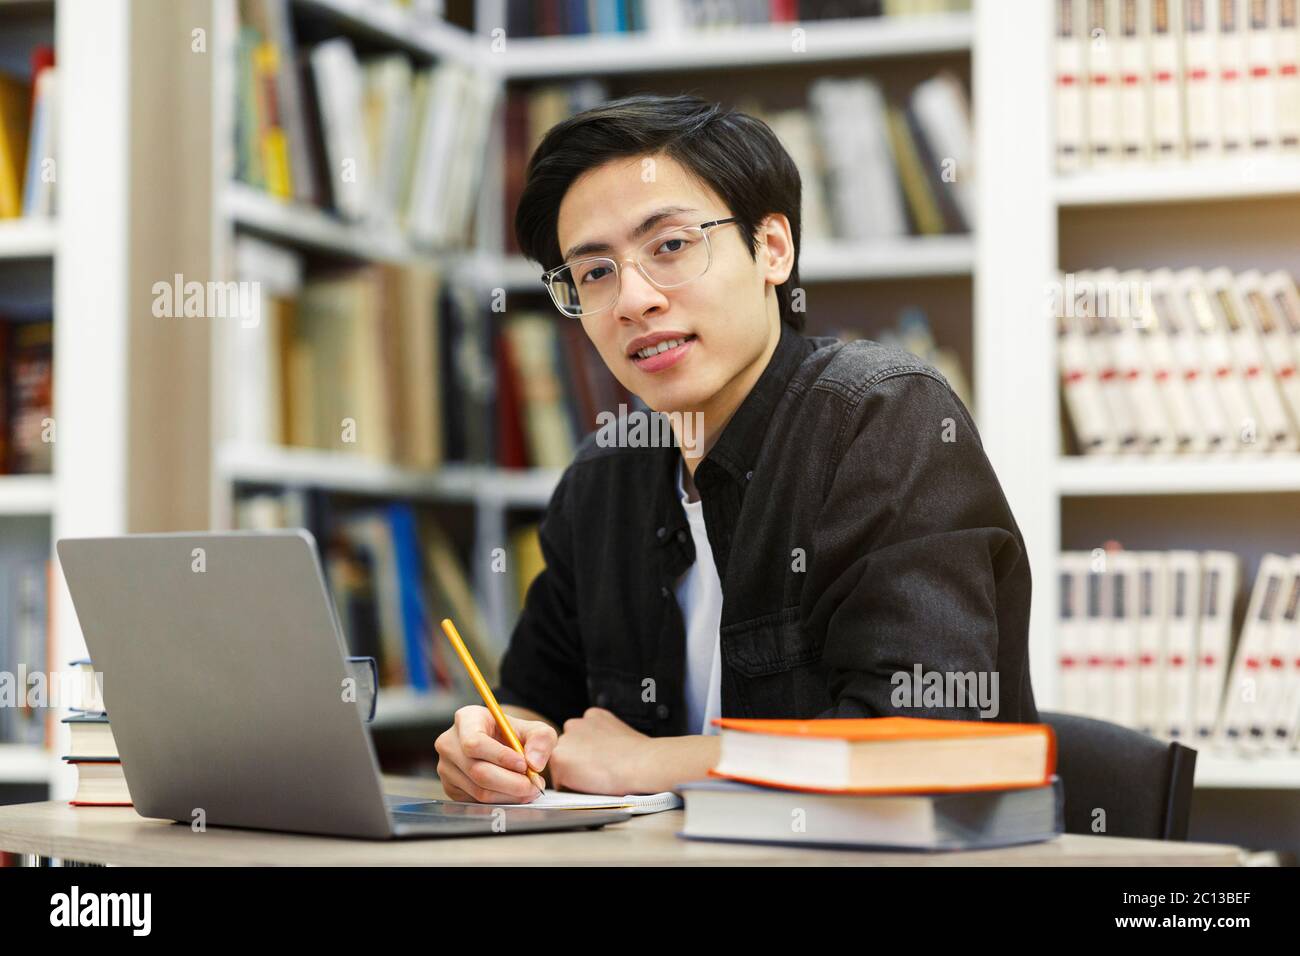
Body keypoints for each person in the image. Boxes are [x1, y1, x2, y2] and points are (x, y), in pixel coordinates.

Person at [434, 93, 1037, 804]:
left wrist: (655, 764)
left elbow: (927, 745)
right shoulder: (605, 478)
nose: (633, 299)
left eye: (670, 246)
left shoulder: (878, 416)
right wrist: (493, 747)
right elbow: (535, 704)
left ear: (772, 249)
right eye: (595, 272)